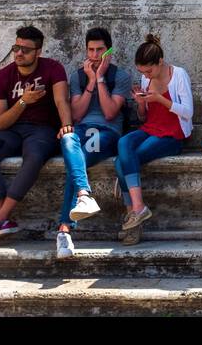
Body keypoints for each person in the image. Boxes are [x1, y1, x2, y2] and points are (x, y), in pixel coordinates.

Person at [0, 25, 71, 244]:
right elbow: (0, 122)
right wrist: (24, 101)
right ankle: (4, 218)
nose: (19, 53)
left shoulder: (53, 69)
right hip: (11, 130)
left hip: (42, 130)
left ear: (38, 52)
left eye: (25, 50)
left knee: (35, 156)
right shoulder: (1, 77)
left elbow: (61, 100)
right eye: (16, 48)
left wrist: (66, 126)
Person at [54, 26, 131, 260]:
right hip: (82, 130)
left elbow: (109, 113)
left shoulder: (120, 76)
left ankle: (64, 231)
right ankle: (83, 196)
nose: (95, 56)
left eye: (100, 50)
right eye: (91, 50)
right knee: (67, 136)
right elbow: (76, 115)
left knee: (74, 165)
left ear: (109, 52)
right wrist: (89, 82)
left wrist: (99, 80)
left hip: (107, 133)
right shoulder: (78, 76)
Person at [116, 33, 193, 245]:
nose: (147, 76)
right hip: (151, 128)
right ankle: (138, 209)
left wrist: (159, 98)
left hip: (172, 134)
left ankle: (133, 219)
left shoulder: (178, 75)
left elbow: (188, 112)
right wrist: (141, 102)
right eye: (142, 72)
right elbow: (144, 117)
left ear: (160, 62)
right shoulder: (146, 79)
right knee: (123, 144)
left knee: (121, 162)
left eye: (149, 71)